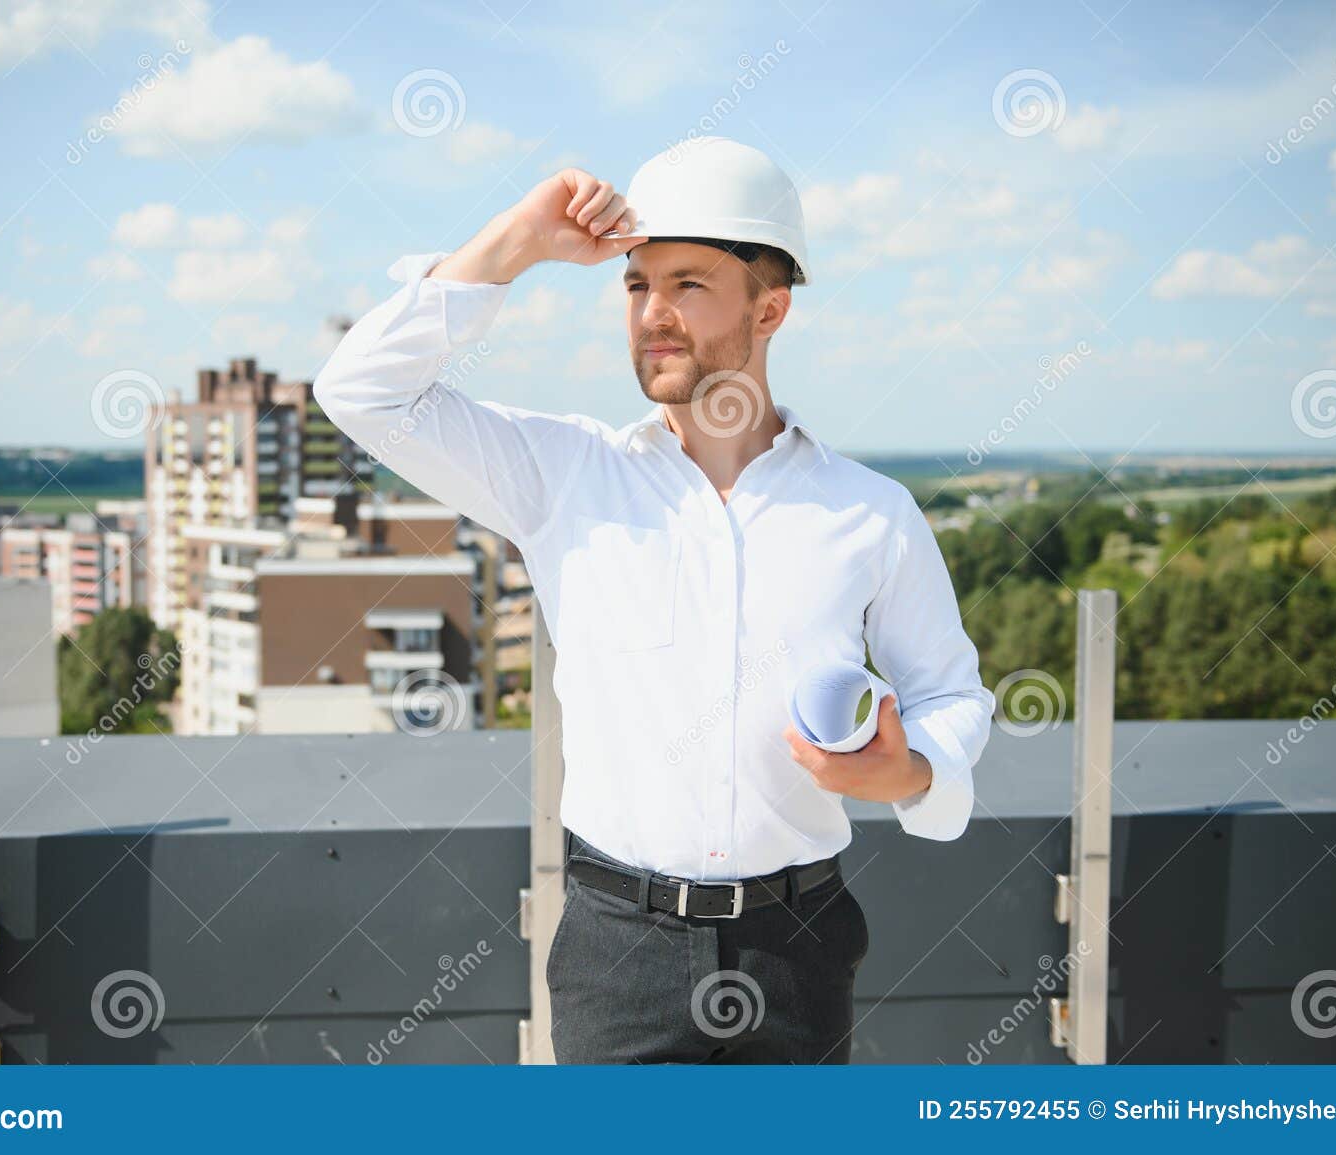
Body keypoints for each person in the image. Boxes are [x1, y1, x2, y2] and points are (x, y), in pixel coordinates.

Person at [314, 136, 995, 1064]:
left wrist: (908, 773)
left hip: (798, 949)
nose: (653, 314)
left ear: (772, 307)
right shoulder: (562, 475)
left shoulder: (871, 513)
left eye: (689, 284)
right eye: (637, 286)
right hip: (615, 954)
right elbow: (361, 392)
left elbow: (953, 696)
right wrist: (513, 241)